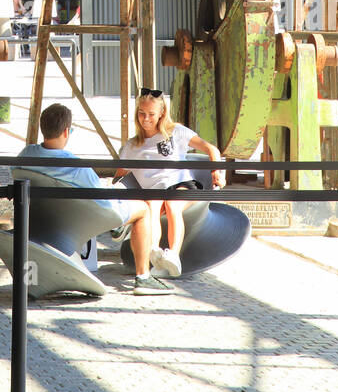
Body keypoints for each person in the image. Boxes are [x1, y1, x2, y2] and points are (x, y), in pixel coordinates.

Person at [19, 102, 171, 296]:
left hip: (47, 214)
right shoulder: (75, 166)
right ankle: (143, 277)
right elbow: (100, 197)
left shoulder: (26, 154)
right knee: (143, 209)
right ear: (67, 132)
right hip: (82, 216)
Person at [116, 89, 224, 280]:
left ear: (161, 114)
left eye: (151, 114)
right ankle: (154, 251)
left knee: (172, 204)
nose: (146, 119)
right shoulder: (131, 147)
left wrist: (216, 171)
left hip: (181, 184)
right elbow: (119, 177)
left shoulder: (176, 132)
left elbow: (211, 149)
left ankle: (173, 255)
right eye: (142, 113)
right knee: (152, 205)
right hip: (154, 191)